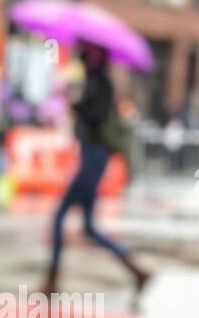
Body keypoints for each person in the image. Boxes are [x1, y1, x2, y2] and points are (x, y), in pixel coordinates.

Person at [42, 42, 149, 298]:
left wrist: (75, 104)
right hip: (91, 156)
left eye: (87, 50)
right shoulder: (95, 81)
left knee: (60, 217)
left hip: (94, 158)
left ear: (97, 54)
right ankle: (136, 270)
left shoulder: (101, 83)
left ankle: (52, 282)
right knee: (89, 226)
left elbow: (95, 116)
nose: (82, 53)